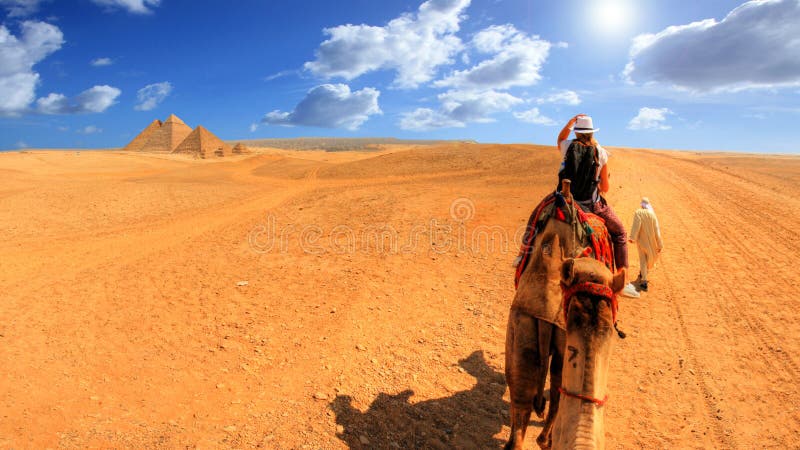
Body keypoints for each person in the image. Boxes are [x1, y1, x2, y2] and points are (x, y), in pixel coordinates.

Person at [556, 114, 629, 272]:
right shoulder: (601, 153)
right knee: (620, 233)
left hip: (566, 202)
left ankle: (522, 255)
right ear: (592, 132)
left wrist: (569, 122)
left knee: (539, 217)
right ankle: (624, 278)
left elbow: (559, 140)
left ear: (576, 132)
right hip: (592, 206)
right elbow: (605, 188)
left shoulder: (567, 147)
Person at [629, 197, 663, 291]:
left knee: (642, 259)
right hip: (651, 243)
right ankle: (644, 276)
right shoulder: (653, 215)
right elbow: (657, 230)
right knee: (649, 259)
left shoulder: (638, 212)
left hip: (641, 242)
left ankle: (644, 279)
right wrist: (660, 245)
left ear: (641, 205)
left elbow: (637, 225)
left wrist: (632, 238)